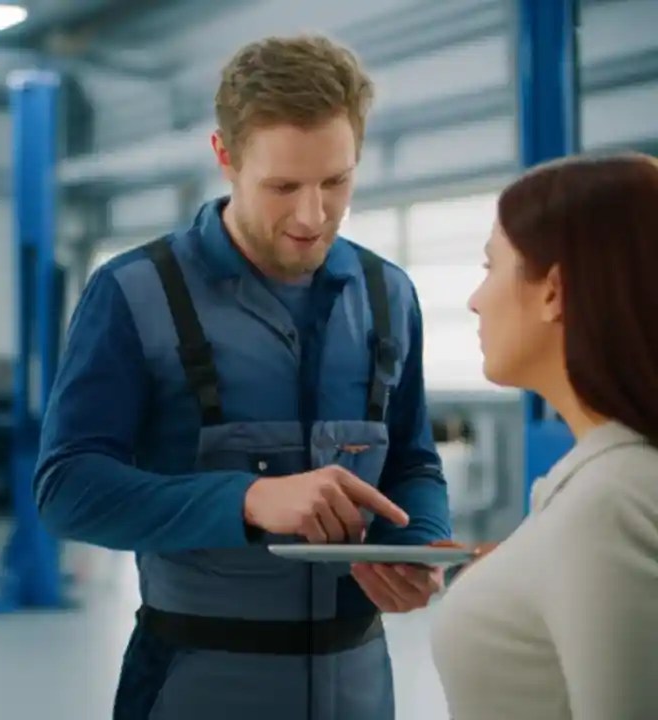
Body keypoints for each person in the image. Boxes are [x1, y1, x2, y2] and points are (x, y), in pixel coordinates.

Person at [34, 34, 453, 720]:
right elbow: (66, 488)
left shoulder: (388, 295)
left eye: (336, 182)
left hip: (360, 686)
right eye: (283, 186)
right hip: (197, 685)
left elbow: (413, 462)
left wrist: (415, 545)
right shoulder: (134, 294)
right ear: (225, 157)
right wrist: (249, 501)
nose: (313, 216)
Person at [431, 153, 658, 719]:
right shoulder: (602, 484)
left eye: (490, 266)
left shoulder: (611, 500)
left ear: (554, 290)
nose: (476, 298)